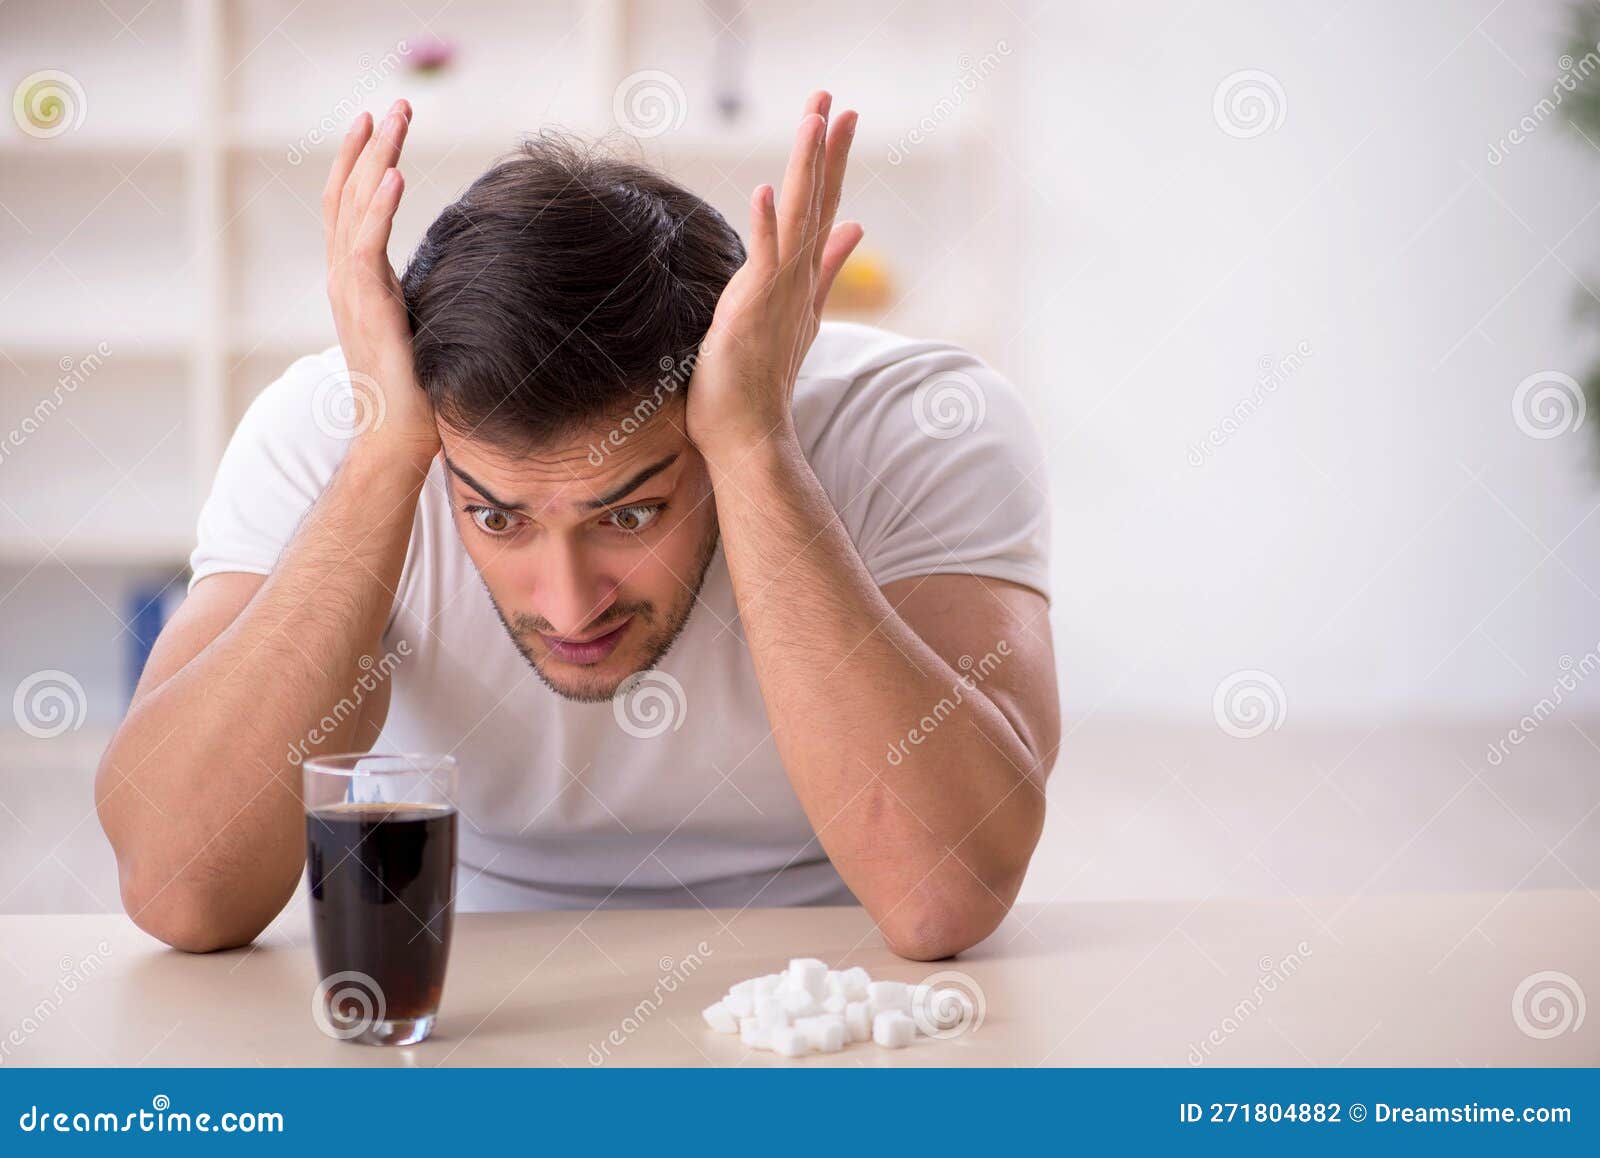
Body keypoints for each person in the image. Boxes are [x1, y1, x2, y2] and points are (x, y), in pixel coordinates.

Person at [95, 92, 1059, 961]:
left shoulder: (916, 420)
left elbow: (944, 897)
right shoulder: (337, 428)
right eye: (494, 516)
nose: (567, 604)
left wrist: (756, 447)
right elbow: (185, 893)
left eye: (632, 510)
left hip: (836, 971)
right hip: (462, 970)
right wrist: (387, 461)